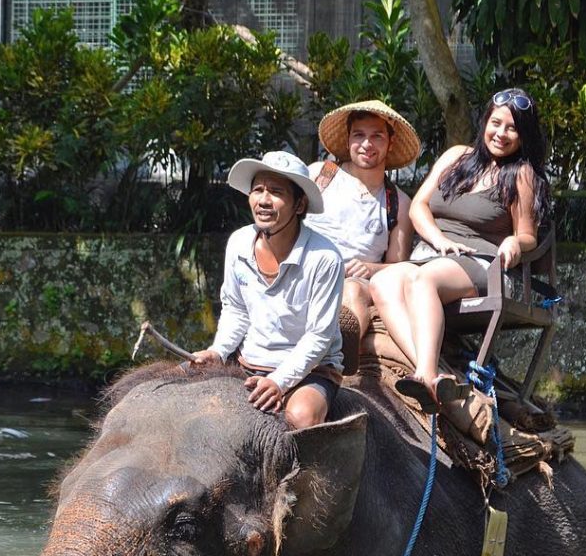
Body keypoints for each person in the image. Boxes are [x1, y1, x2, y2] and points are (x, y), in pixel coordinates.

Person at [369, 88, 551, 412]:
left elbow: (528, 235)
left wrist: (513, 242)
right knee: (381, 282)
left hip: (482, 264)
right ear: (485, 122)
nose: (502, 133)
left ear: (523, 137)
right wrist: (439, 241)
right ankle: (436, 375)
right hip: (434, 253)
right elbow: (419, 207)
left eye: (512, 128)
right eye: (496, 123)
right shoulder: (457, 156)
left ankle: (423, 375)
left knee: (423, 280)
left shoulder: (520, 174)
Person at [192, 150, 344, 428]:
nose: (263, 200)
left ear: (299, 205)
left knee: (302, 416)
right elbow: (236, 309)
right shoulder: (239, 243)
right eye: (258, 190)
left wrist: (279, 381)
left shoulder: (325, 257)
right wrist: (218, 352)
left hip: (312, 369)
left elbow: (319, 336)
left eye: (276, 192)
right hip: (249, 362)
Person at [306, 99, 421, 374]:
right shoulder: (319, 175)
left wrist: (370, 268)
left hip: (359, 282)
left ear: (390, 143)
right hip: (307, 274)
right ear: (347, 141)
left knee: (353, 291)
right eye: (359, 135)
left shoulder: (398, 203)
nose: (367, 144)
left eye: (376, 136)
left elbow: (398, 268)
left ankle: (331, 362)